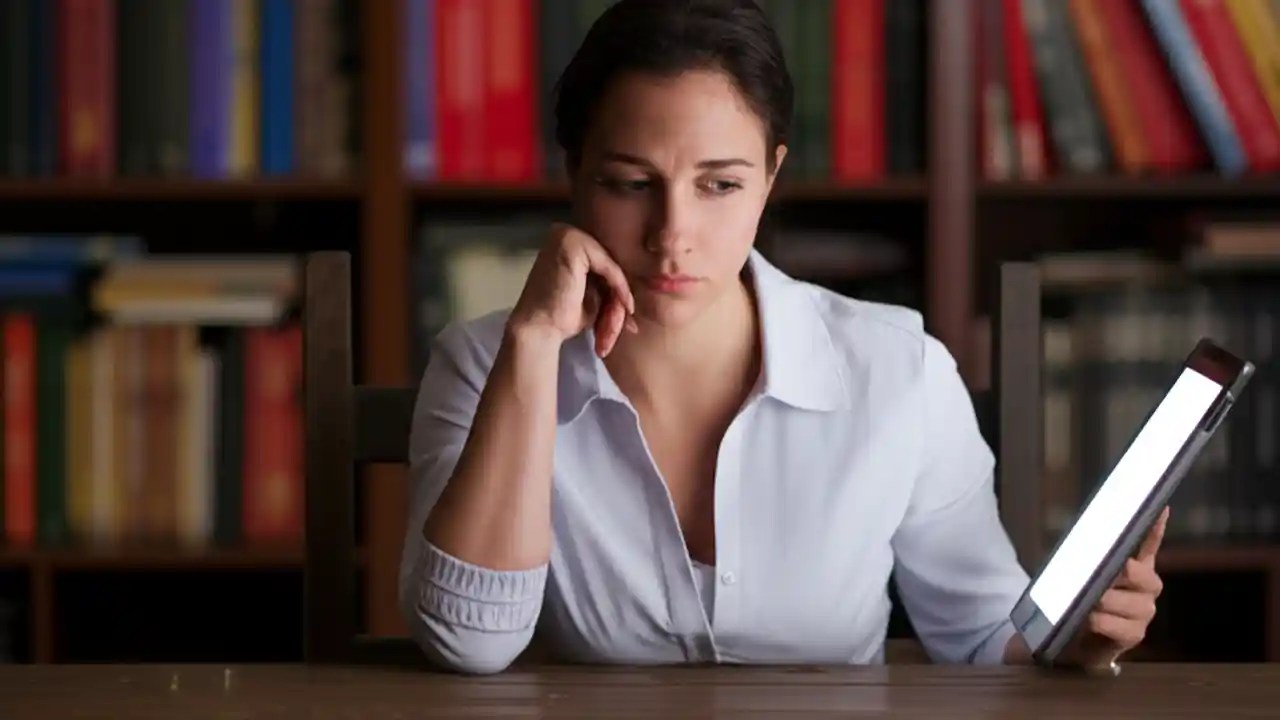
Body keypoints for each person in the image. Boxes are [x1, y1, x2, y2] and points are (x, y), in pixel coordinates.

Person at [398, 0, 1166, 675]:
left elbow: (980, 633)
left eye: (720, 185)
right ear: (574, 176)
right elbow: (470, 643)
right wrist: (532, 348)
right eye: (631, 184)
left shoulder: (898, 373)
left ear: (771, 176)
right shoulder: (485, 364)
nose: (673, 236)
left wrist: (1071, 642)